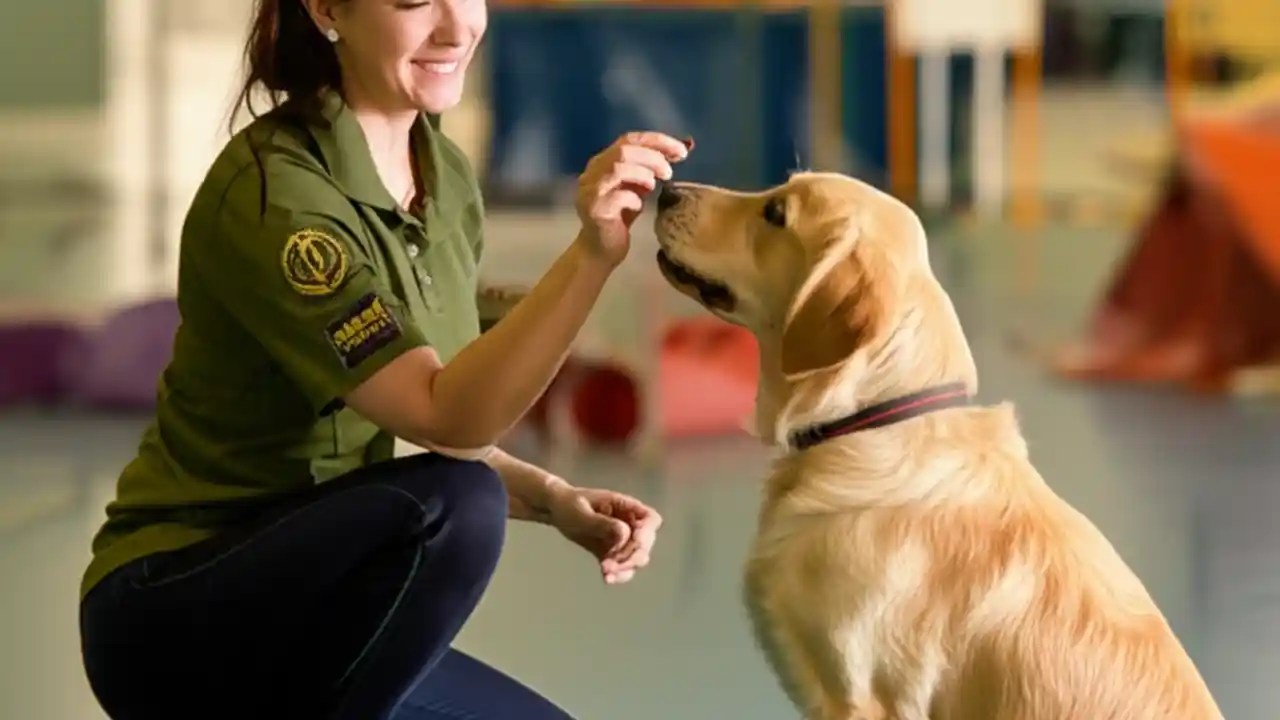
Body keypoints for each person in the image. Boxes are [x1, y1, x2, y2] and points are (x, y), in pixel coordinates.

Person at [77, 0, 686, 717]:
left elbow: (437, 407)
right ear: (329, 9)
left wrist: (556, 501)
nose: (457, 27)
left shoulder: (445, 178)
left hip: (315, 613)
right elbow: (446, 420)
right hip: (173, 618)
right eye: (412, 2)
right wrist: (591, 257)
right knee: (458, 507)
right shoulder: (280, 199)